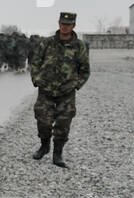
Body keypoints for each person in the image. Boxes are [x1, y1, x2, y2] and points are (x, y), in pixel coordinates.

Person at [30, 11, 89, 168]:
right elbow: (35, 62)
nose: (65, 27)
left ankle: (58, 154)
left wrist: (77, 84)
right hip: (46, 90)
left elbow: (85, 69)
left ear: (73, 26)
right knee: (43, 121)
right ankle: (44, 146)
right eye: (63, 24)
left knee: (63, 124)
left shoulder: (79, 46)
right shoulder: (46, 43)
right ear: (59, 24)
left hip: (66, 92)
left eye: (68, 25)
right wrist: (36, 79)